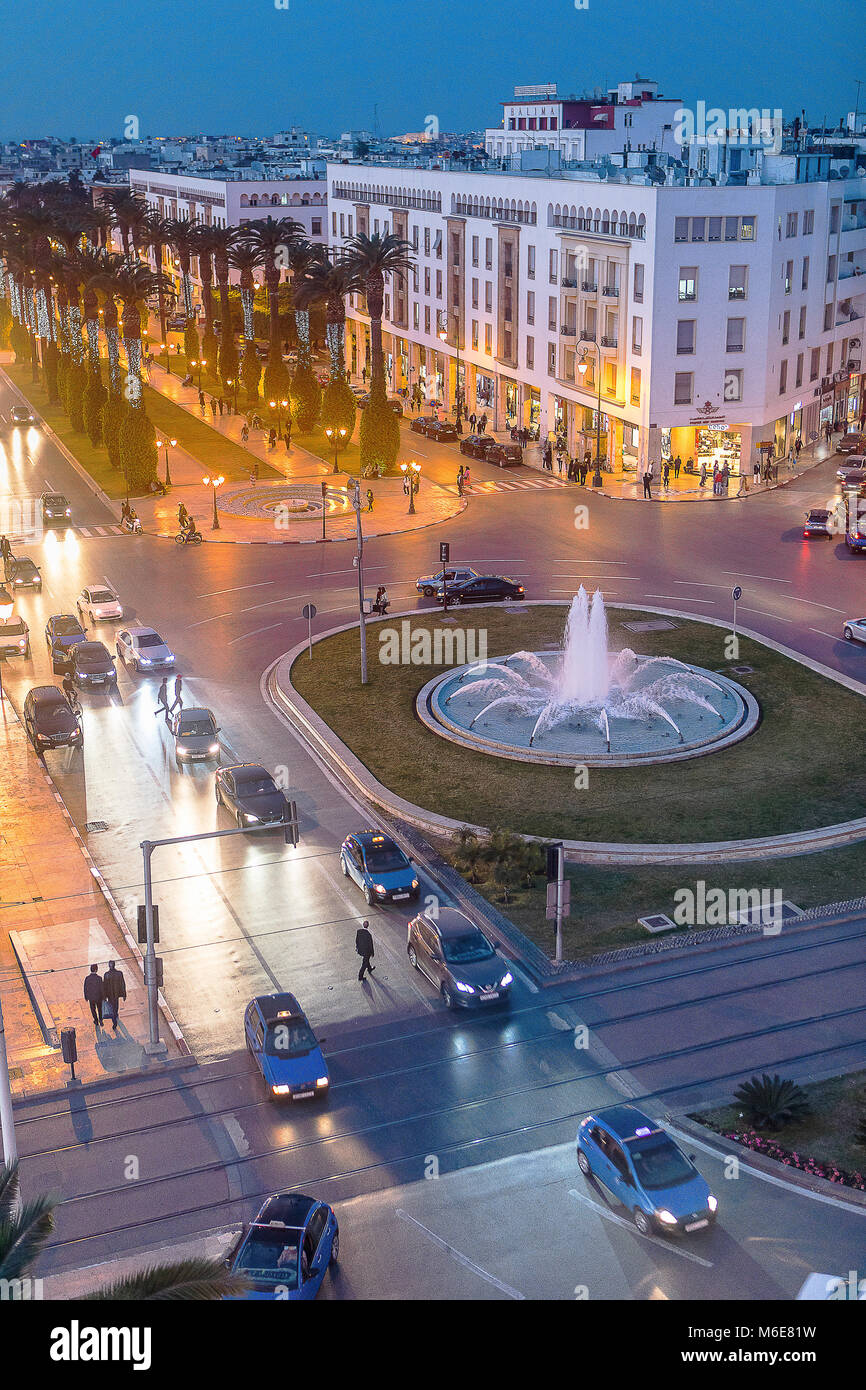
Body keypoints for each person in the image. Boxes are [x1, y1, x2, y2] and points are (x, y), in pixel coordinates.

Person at [102, 960, 127, 1032]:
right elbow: (122, 984)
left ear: (109, 966)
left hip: (110, 995)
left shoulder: (106, 974)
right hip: (116, 994)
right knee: (116, 1007)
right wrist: (124, 994)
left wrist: (104, 996)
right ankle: (115, 1017)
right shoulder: (119, 973)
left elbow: (104, 986)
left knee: (112, 1007)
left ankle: (114, 1020)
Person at [84, 964, 104, 1028]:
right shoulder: (99, 978)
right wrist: (103, 997)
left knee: (93, 1009)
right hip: (98, 997)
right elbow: (102, 988)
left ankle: (96, 1020)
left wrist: (86, 997)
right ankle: (100, 1019)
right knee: (99, 1009)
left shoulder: (87, 978)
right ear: (96, 970)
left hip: (91, 998)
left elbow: (85, 988)